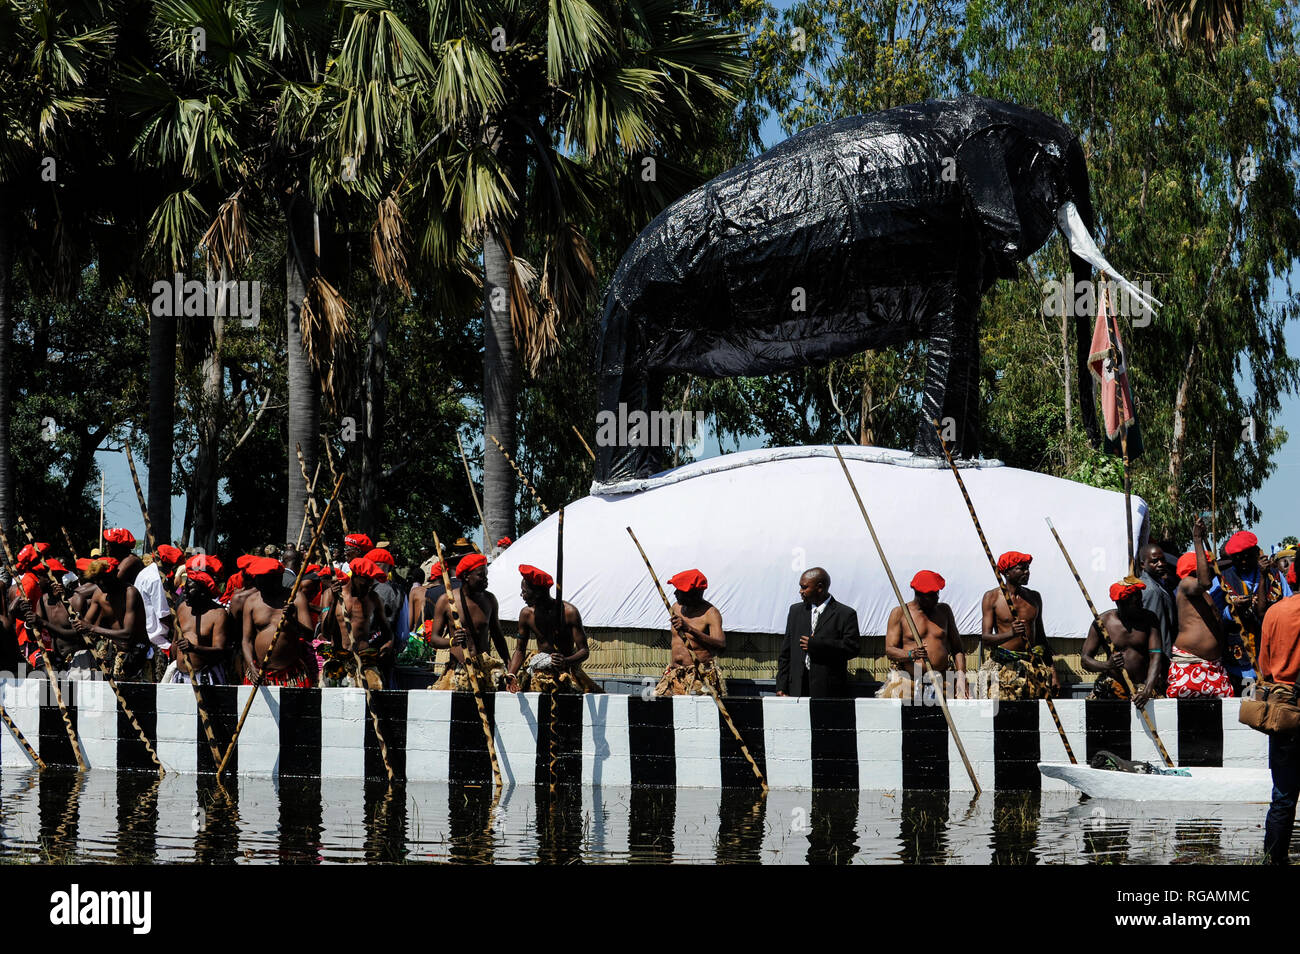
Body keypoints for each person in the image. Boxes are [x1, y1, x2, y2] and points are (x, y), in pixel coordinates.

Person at [506, 564, 600, 693]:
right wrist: (511, 674)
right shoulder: (526, 614)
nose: (522, 595)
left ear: (538, 593)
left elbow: (584, 651)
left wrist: (565, 661)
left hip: (567, 670)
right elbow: (520, 649)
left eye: (525, 591)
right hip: (540, 671)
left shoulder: (568, 613)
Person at [1260, 562, 1300, 863]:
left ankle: (1274, 860)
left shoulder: (1275, 612)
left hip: (1284, 711)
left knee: (1283, 796)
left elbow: (1264, 666)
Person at [1167, 517, 1233, 698]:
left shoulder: (1203, 594)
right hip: (1191, 666)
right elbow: (1204, 582)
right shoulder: (1186, 584)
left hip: (1213, 668)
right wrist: (1197, 540)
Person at [1218, 530, 1291, 694]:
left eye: (1247, 556)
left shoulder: (1275, 576)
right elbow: (1213, 613)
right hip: (1239, 663)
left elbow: (1289, 606)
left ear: (1256, 553)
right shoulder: (1222, 578)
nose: (1243, 561)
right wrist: (1232, 611)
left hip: (1273, 660)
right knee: (1246, 709)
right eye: (1238, 557)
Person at [979, 552, 1059, 700]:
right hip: (1005, 667)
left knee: (1034, 715)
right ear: (1007, 572)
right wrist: (1011, 633)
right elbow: (986, 639)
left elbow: (1041, 637)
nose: (1027, 572)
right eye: (1021, 568)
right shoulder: (992, 597)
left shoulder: (1034, 597)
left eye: (1028, 568)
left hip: (1033, 665)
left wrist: (1053, 672)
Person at [877, 570, 967, 700]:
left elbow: (957, 648)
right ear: (919, 595)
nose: (937, 597)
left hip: (942, 680)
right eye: (932, 595)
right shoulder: (900, 613)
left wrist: (960, 677)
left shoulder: (944, 611)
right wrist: (910, 654)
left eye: (937, 593)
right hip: (909, 682)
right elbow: (889, 650)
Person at [427, 554, 510, 692]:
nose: (486, 580)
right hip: (458, 670)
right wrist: (452, 641)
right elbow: (433, 640)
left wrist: (510, 667)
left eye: (486, 575)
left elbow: (498, 637)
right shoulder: (447, 601)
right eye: (481, 576)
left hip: (484, 672)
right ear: (466, 576)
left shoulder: (490, 600)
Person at [777, 567, 860, 698]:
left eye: (804, 587)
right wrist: (782, 686)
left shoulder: (844, 614)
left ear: (819, 588)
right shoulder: (796, 611)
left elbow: (852, 648)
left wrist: (818, 644)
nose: (801, 591)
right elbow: (786, 652)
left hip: (828, 690)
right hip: (797, 688)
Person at [1081, 577, 1162, 708]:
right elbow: (1085, 660)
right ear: (1121, 603)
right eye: (1136, 602)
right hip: (1112, 685)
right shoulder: (1102, 622)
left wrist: (1147, 690)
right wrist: (1107, 665)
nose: (1141, 605)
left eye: (1141, 600)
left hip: (1143, 687)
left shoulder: (1149, 619)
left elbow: (1156, 655)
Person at [241, 556, 316, 687]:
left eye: (263, 579)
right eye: (257, 578)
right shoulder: (251, 601)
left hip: (291, 675)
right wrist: (252, 667)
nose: (258, 582)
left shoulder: (296, 598)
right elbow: (246, 640)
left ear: (278, 579)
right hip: (259, 675)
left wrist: (291, 620)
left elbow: (309, 635)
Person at [321, 557, 394, 689]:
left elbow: (387, 632)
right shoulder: (331, 594)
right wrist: (333, 602)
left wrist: (387, 645)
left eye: (370, 585)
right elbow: (326, 632)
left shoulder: (373, 599)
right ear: (354, 577)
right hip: (338, 661)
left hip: (364, 662)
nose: (367, 588)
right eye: (364, 584)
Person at [652, 568, 727, 697]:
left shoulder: (710, 613)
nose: (675, 593)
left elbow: (720, 644)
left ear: (693, 594)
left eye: (679, 591)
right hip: (675, 674)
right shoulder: (676, 607)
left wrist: (690, 629)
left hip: (699, 675)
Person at [76, 556, 150, 680]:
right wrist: (78, 623)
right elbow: (86, 623)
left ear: (115, 574)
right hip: (113, 650)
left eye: (104, 579)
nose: (101, 584)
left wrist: (92, 628)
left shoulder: (130, 593)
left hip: (135, 652)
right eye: (97, 580)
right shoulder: (99, 593)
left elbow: (127, 634)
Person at [172, 556, 231, 685]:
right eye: (184, 588)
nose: (185, 592)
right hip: (180, 677)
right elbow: (175, 644)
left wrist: (194, 648)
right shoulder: (182, 608)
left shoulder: (218, 614)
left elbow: (220, 651)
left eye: (190, 588)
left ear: (203, 591)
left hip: (206, 677)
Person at [134, 543, 184, 682]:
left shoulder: (146, 572)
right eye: (171, 565)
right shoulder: (156, 579)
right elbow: (163, 616)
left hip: (146, 636)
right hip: (157, 642)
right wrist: (180, 631)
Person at [1138, 543, 1177, 673]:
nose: (1160, 564)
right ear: (1143, 564)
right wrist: (1164, 660)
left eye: (1162, 560)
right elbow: (1159, 629)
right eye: (1154, 561)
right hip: (1161, 659)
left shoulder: (1158, 584)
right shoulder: (1151, 590)